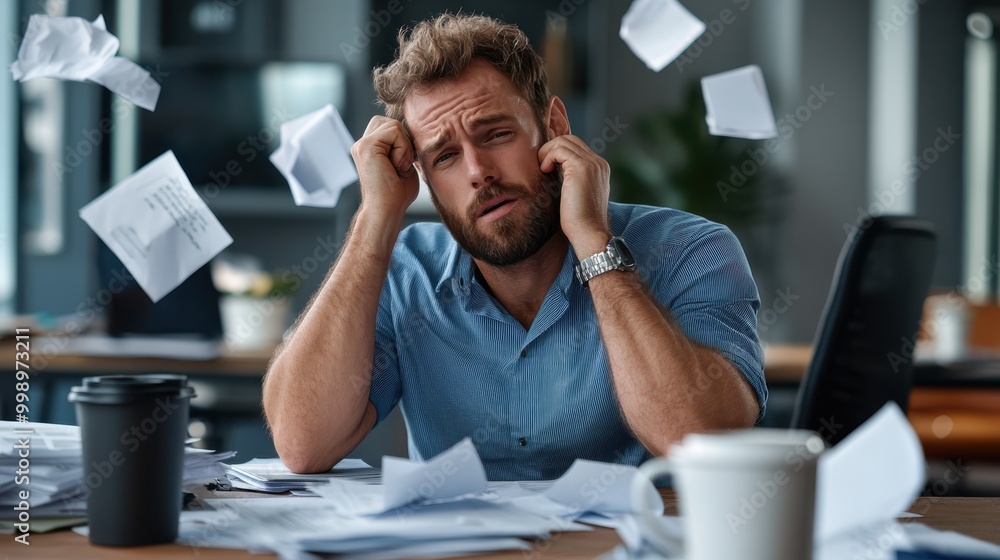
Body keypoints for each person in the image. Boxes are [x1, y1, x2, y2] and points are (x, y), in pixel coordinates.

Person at [263, 13, 766, 480]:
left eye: (497, 134)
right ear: (422, 178)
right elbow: (304, 444)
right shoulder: (405, 272)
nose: (478, 171)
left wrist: (594, 243)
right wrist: (374, 221)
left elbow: (703, 445)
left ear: (555, 126)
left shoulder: (691, 250)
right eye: (445, 158)